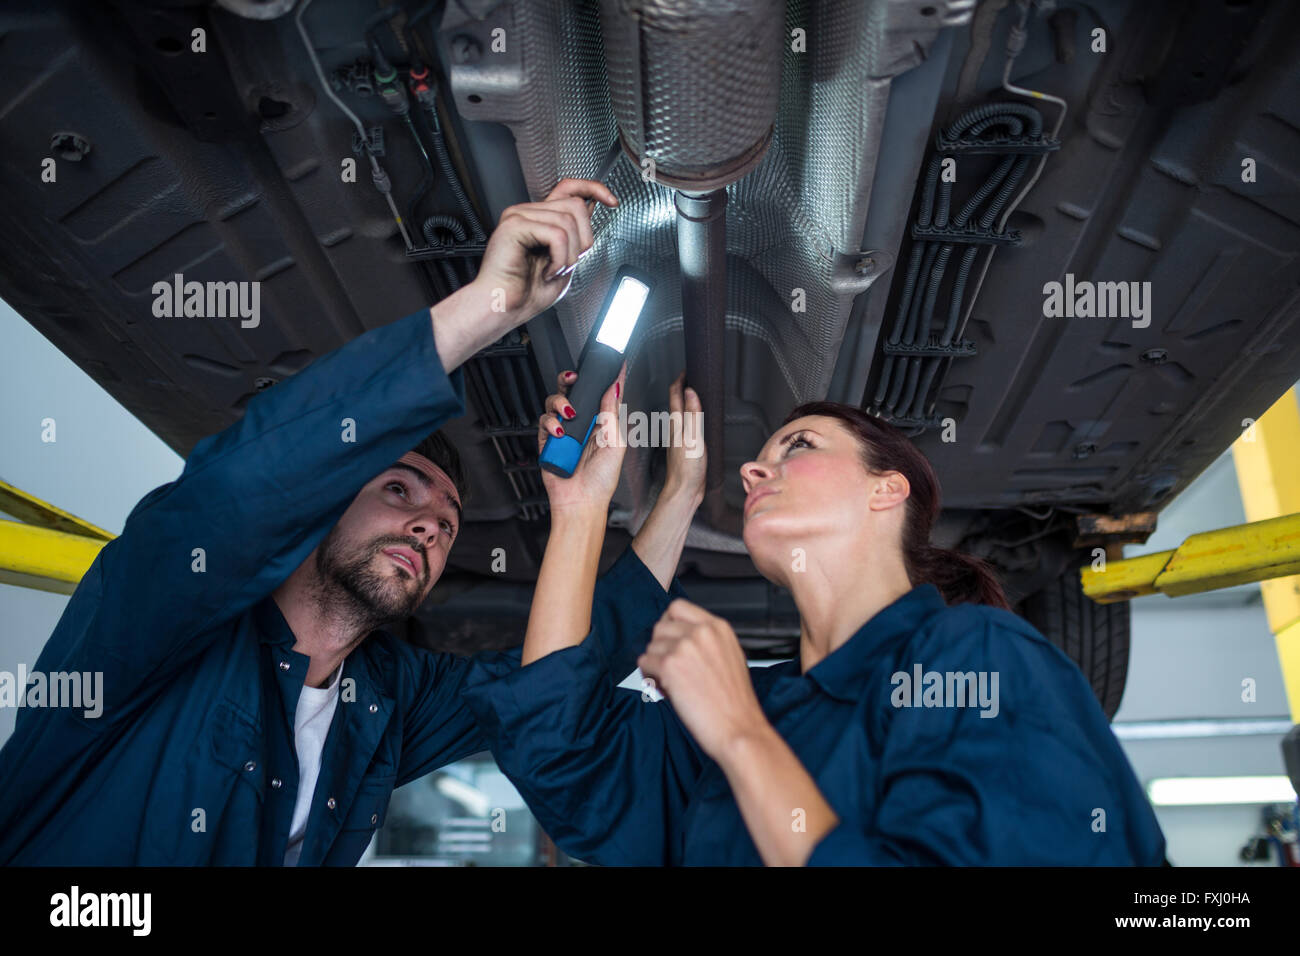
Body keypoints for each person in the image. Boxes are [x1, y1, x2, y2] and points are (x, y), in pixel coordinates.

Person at [0, 178, 619, 865]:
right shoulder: (160, 624)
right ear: (325, 500)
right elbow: (238, 494)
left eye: (447, 525)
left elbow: (552, 679)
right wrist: (490, 306)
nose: (430, 528)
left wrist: (606, 506)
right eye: (399, 489)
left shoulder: (386, 698)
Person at [461, 376, 1169, 865]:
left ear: (888, 489)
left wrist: (743, 743)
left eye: (797, 446)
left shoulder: (973, 658)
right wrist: (582, 509)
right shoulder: (760, 705)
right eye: (760, 458)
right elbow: (558, 751)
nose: (753, 471)